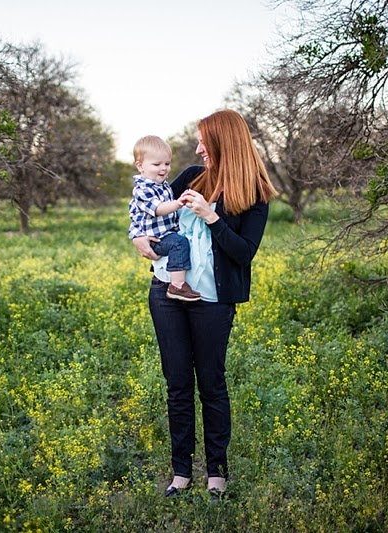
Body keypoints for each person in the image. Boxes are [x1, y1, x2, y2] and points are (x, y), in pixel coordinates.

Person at [132, 109, 278, 499]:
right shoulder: (190, 177)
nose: (197, 148)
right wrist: (138, 240)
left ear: (222, 143)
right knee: (177, 384)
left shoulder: (255, 194)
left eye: (203, 141)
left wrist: (213, 217)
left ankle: (217, 472)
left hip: (213, 300)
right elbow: (145, 204)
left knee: (211, 385)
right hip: (167, 293)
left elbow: (244, 253)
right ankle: (181, 472)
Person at [129, 135, 202, 302]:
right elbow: (158, 209)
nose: (164, 168)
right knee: (179, 243)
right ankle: (177, 285)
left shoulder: (162, 185)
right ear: (140, 166)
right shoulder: (142, 189)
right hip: (156, 238)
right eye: (156, 164)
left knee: (179, 241)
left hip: (164, 233)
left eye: (167, 164)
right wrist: (178, 204)